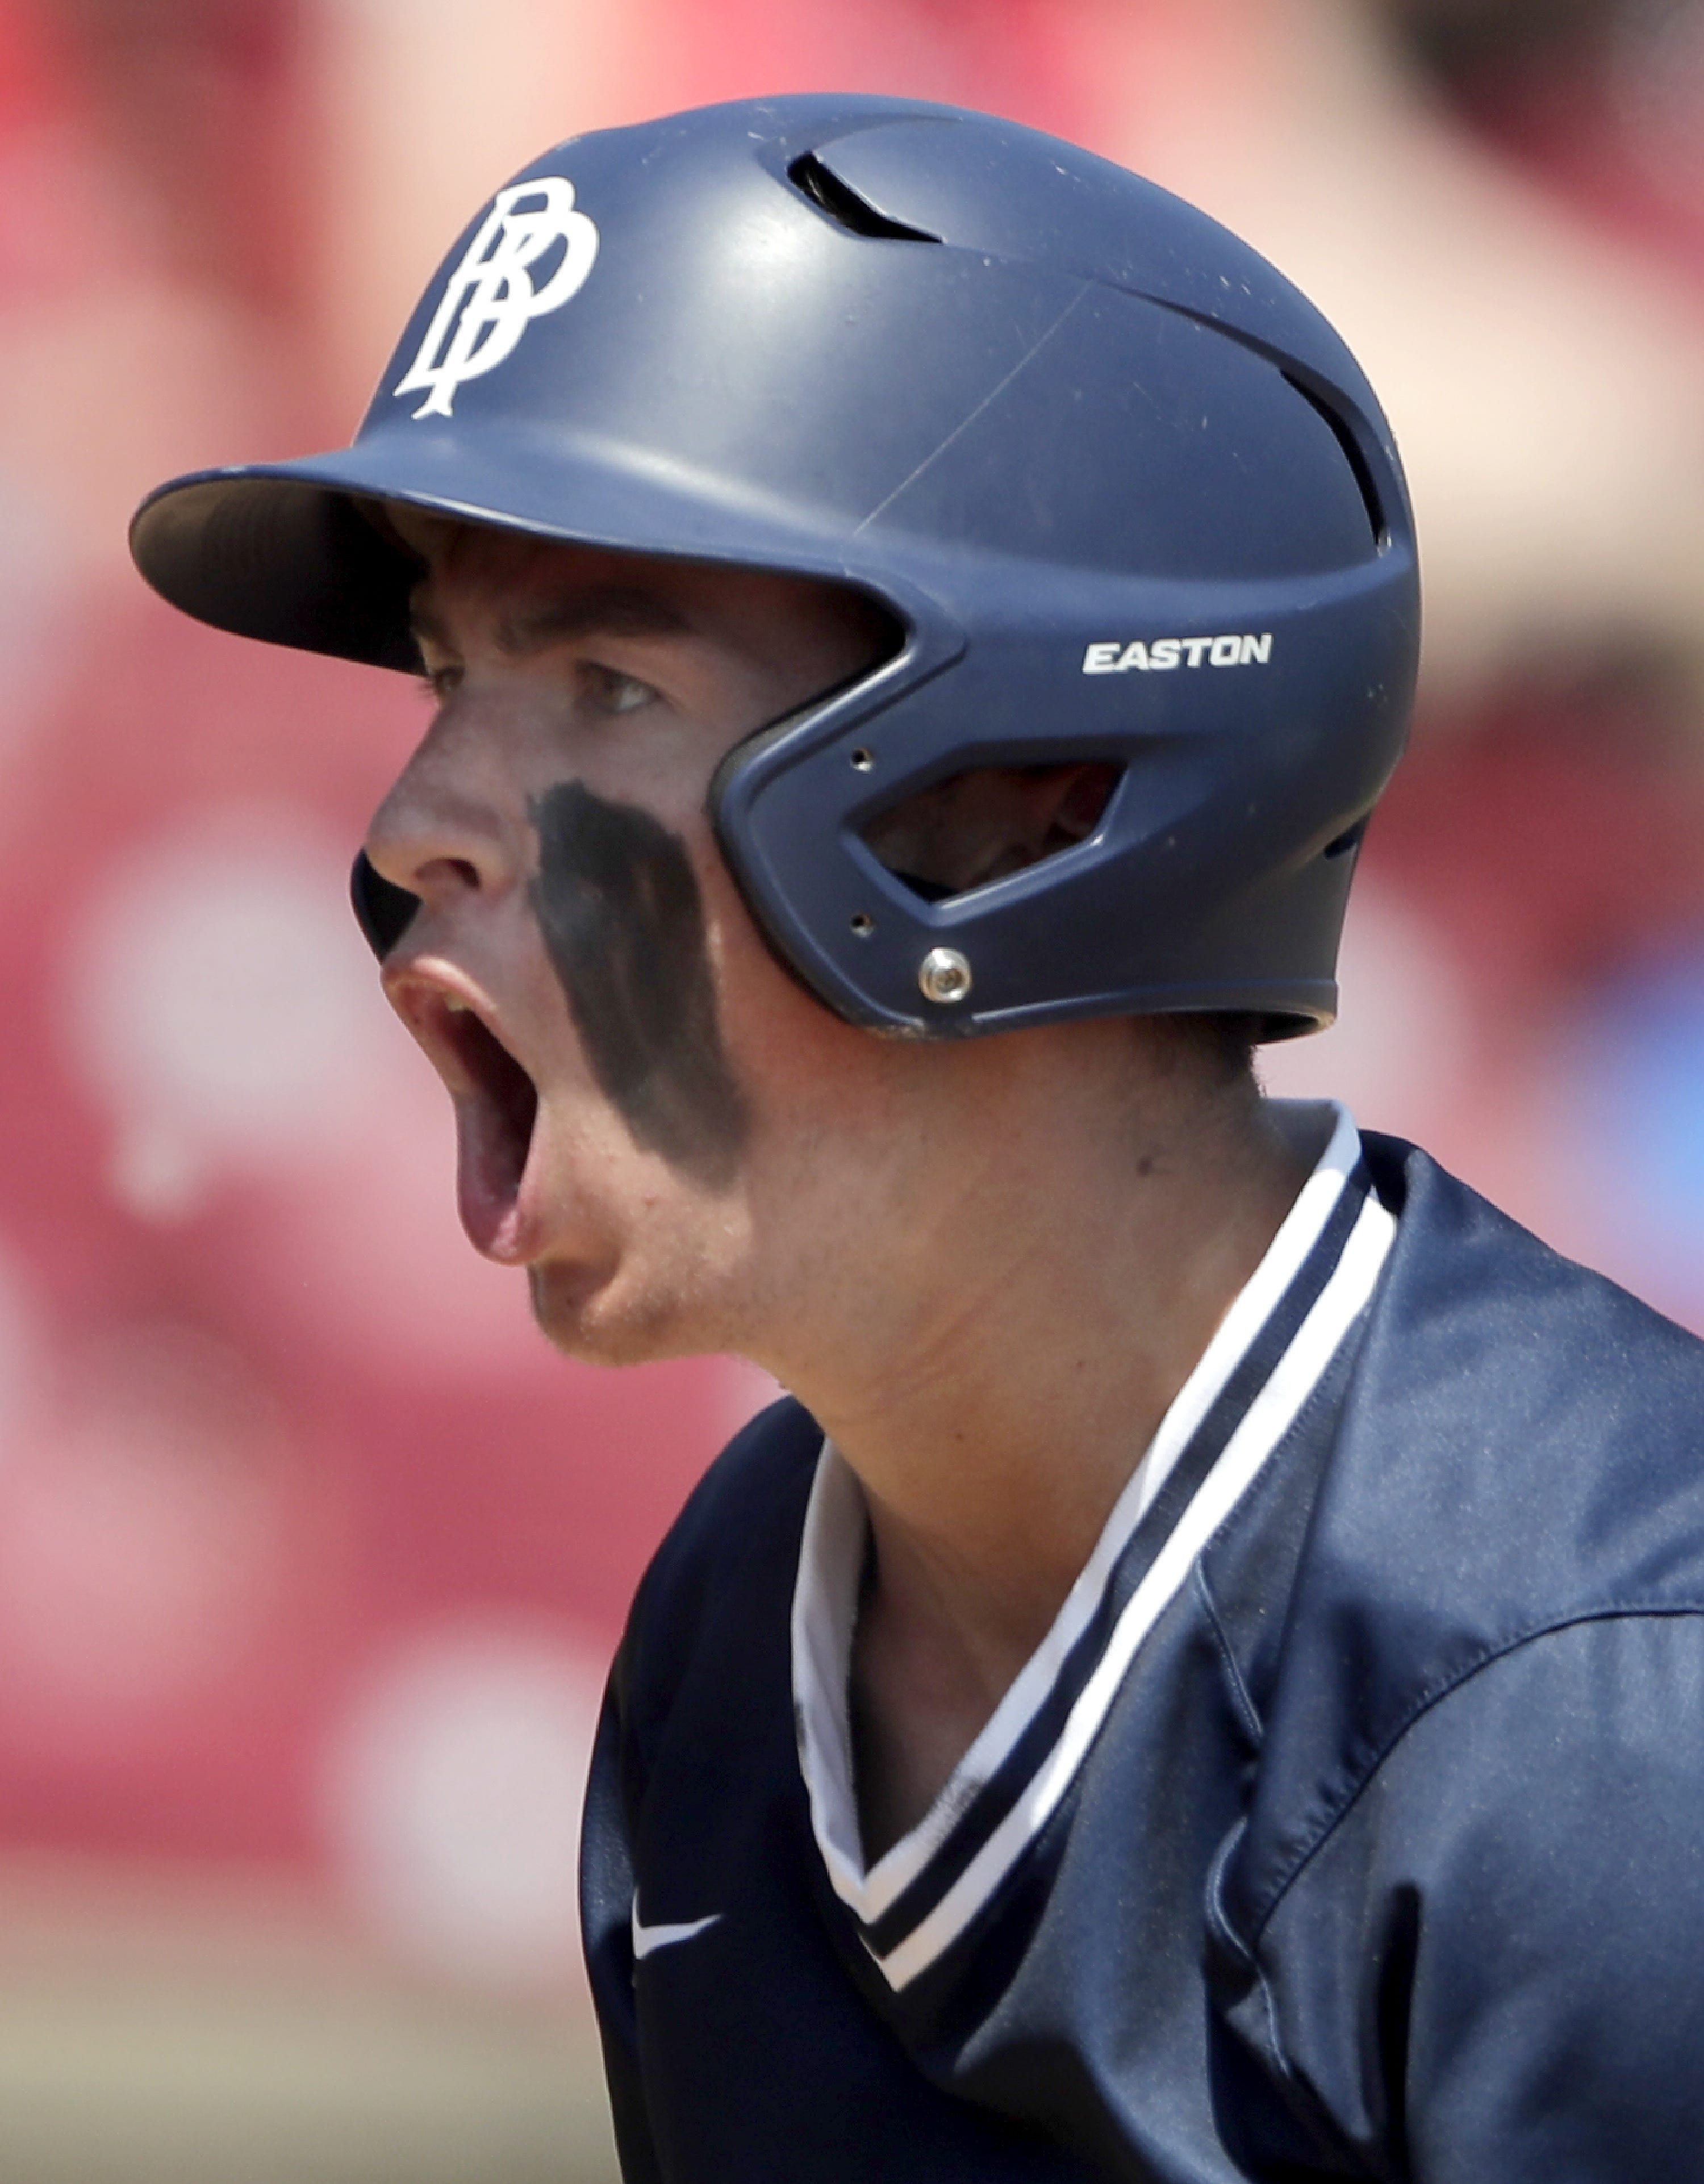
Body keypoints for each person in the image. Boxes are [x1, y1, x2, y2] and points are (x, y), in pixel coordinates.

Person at [130, 95, 1704, 2184]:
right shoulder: (751, 1613)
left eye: (605, 683)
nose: (415, 821)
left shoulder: (1598, 1721)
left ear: (1049, 793)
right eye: (444, 681)